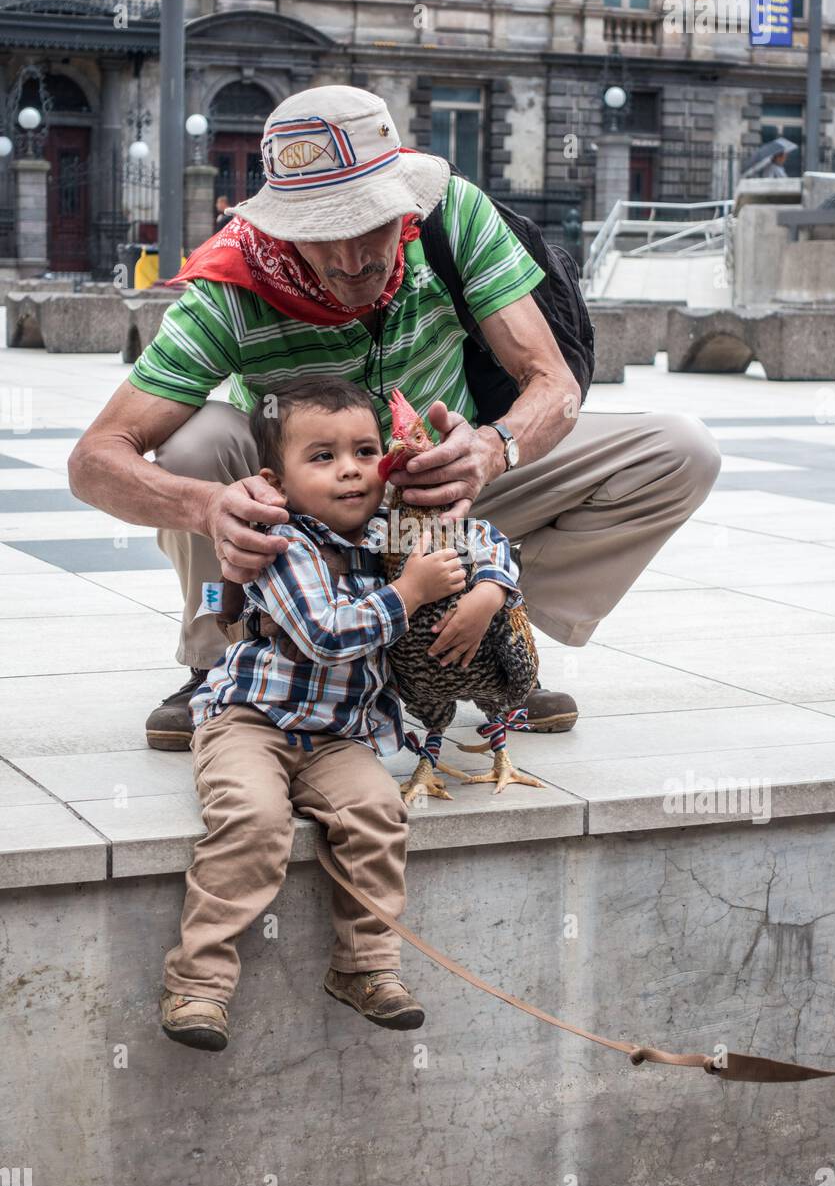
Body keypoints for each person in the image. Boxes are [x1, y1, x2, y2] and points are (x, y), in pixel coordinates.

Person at [67, 84, 721, 752]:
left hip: (445, 493)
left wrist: (494, 449)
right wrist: (208, 506)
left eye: (371, 223)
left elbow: (550, 383)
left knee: (680, 449)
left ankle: (480, 644)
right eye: (321, 236)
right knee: (197, 444)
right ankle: (225, 658)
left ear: (406, 200)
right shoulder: (231, 289)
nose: (351, 261)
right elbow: (94, 459)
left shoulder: (454, 218)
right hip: (309, 520)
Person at [161, 373, 515, 1050]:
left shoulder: (391, 530)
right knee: (253, 820)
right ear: (276, 480)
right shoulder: (280, 543)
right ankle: (198, 982)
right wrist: (409, 594)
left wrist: (489, 591)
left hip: (338, 737)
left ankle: (364, 967)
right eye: (321, 457)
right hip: (253, 721)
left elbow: (484, 538)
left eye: (363, 451)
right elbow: (325, 637)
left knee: (379, 814)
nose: (349, 470)